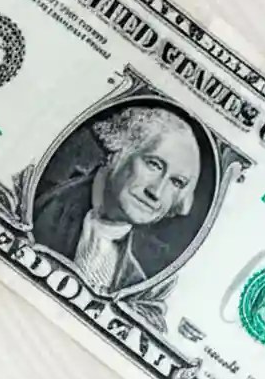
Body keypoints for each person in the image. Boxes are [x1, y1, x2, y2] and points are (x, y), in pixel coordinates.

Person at [33, 106, 201, 294]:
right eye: (154, 164)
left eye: (176, 182)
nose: (156, 192)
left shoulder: (138, 282)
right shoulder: (38, 207)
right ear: (118, 151)